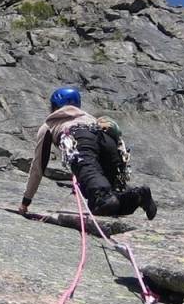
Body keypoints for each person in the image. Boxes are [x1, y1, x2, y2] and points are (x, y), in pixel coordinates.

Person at [17, 87, 157, 219]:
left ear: (55, 105)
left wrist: (26, 201)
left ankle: (105, 196)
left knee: (100, 195)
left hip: (80, 139)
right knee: (105, 203)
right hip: (107, 141)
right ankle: (138, 195)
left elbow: (38, 166)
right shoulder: (89, 118)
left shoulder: (49, 125)